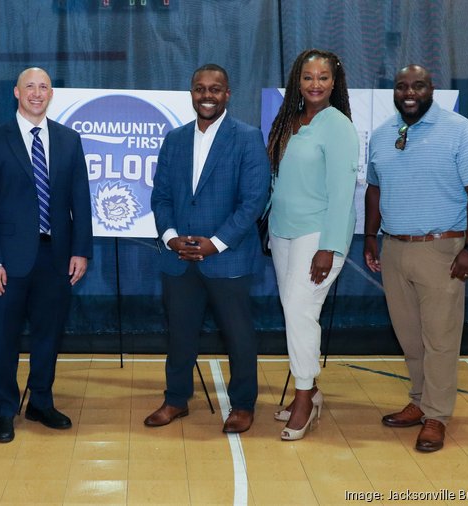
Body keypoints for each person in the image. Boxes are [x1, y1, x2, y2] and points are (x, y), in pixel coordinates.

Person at [364, 64, 468, 452]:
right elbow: (374, 189)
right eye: (402, 86)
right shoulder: (384, 133)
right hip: (394, 247)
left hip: (444, 250)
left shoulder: (461, 131)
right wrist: (370, 236)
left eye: (418, 85)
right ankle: (419, 401)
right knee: (409, 335)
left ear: (431, 89)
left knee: (440, 338)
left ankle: (436, 416)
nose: (409, 92)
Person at [144, 63, 270, 434]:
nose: (207, 95)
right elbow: (161, 196)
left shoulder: (247, 138)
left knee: (239, 336)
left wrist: (215, 244)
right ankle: (176, 399)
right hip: (178, 258)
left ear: (228, 94)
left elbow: (253, 201)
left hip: (227, 258)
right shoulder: (175, 139)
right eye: (200, 88)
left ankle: (243, 405)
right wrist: (170, 237)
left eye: (215, 89)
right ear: (191, 93)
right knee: (179, 333)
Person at [0, 67, 93, 444]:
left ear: (51, 93)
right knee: (4, 339)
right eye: (29, 87)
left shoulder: (70, 140)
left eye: (43, 87)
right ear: (16, 92)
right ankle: (4, 410)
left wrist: (81, 251)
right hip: (8, 261)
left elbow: (80, 202)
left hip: (56, 258)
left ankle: (41, 401)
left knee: (48, 335)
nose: (36, 93)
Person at [265, 49, 359, 441]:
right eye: (308, 77)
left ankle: (304, 396)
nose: (315, 84)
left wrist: (330, 246)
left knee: (301, 311)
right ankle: (312, 390)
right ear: (297, 81)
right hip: (282, 231)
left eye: (323, 77)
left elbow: (342, 193)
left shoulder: (338, 126)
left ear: (334, 82)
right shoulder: (289, 119)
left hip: (318, 235)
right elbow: (277, 179)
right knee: (294, 311)